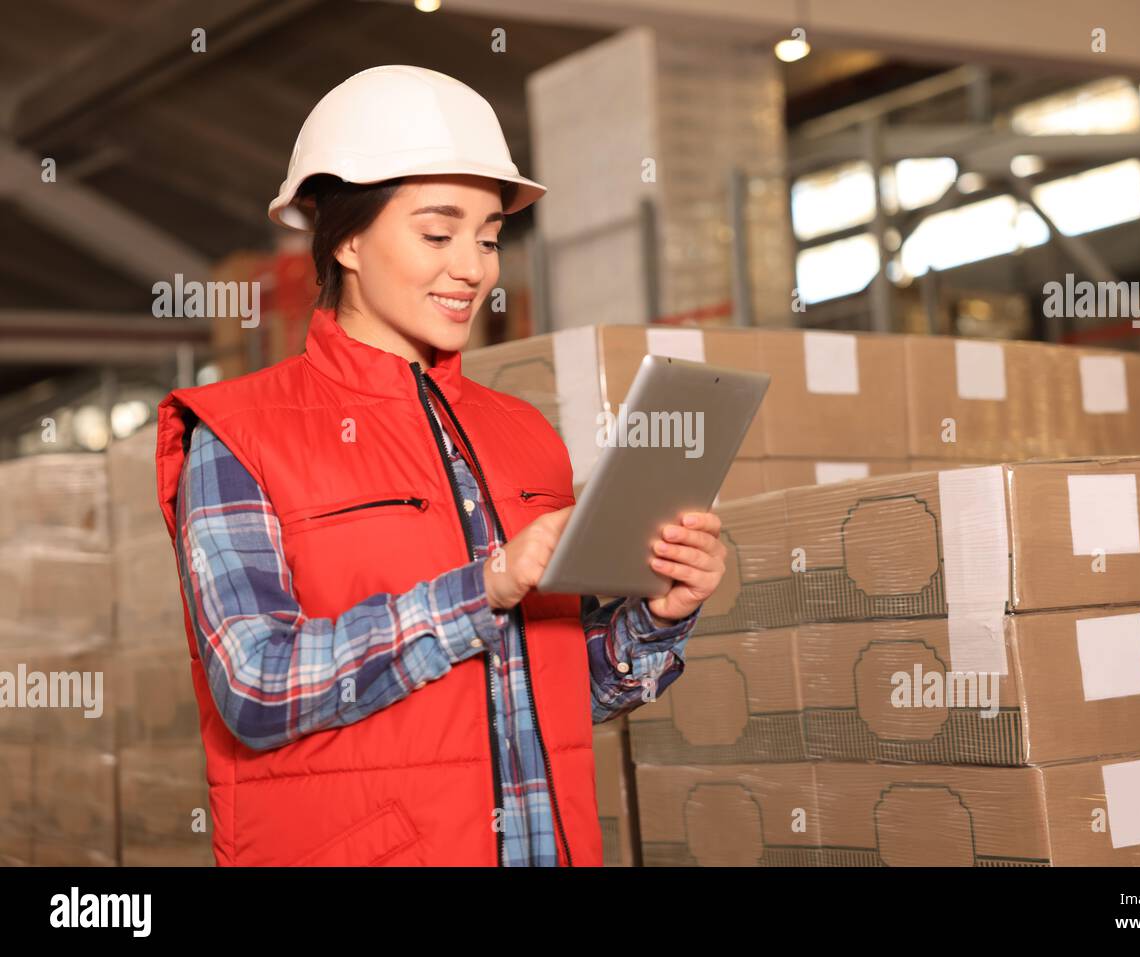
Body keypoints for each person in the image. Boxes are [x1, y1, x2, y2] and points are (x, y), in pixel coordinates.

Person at [155, 65, 724, 867]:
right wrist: (482, 587)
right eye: (438, 233)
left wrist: (657, 617)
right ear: (347, 238)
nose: (475, 267)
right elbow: (255, 685)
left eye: (489, 237)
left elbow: (552, 691)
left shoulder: (522, 437)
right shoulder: (239, 435)